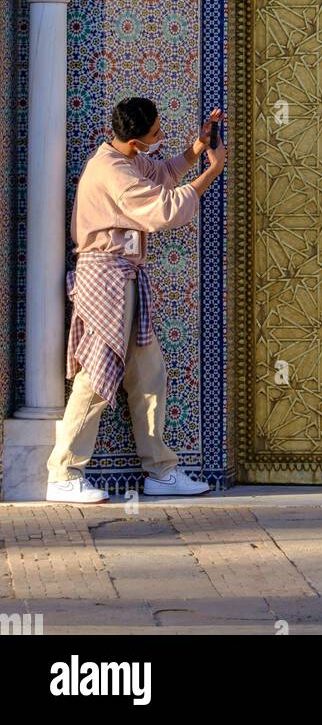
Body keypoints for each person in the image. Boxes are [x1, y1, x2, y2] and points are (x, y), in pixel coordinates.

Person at [46, 98, 227, 504]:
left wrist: (195, 151)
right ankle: (62, 472)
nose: (160, 135)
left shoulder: (124, 160)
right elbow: (162, 209)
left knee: (149, 374)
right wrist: (212, 173)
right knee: (97, 374)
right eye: (155, 131)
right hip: (106, 276)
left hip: (123, 275)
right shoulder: (112, 171)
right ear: (134, 140)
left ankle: (160, 471)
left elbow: (161, 175)